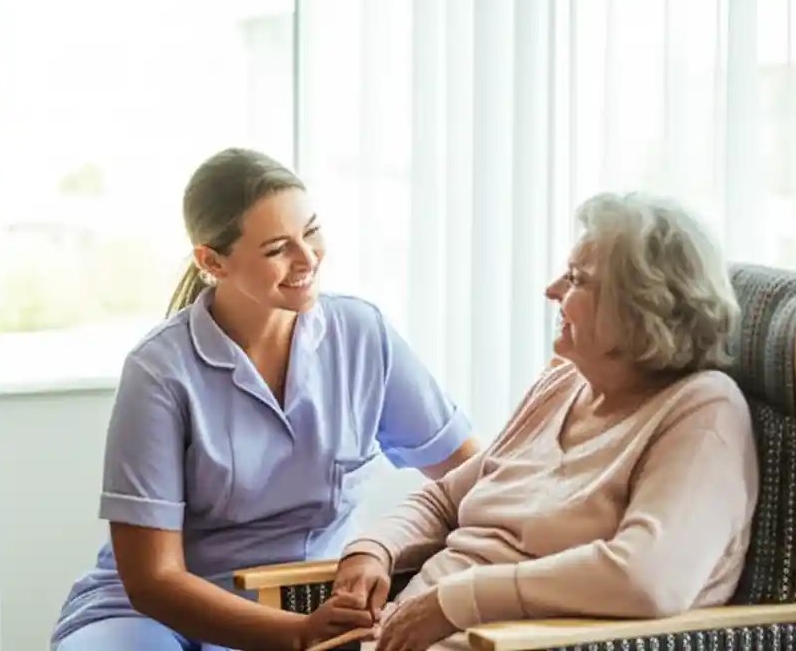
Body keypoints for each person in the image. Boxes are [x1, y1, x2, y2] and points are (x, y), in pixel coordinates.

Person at [50, 148, 479, 650]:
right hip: (151, 616)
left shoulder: (363, 336)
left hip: (301, 601)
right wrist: (296, 635)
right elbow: (153, 580)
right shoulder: (160, 370)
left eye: (311, 231)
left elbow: (469, 480)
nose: (307, 258)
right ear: (212, 261)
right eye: (277, 248)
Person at [331, 192, 759, 651]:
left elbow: (646, 578)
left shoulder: (701, 412)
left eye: (576, 279)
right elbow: (445, 499)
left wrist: (454, 603)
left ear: (636, 305)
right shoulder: (563, 386)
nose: (552, 289)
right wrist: (373, 548)